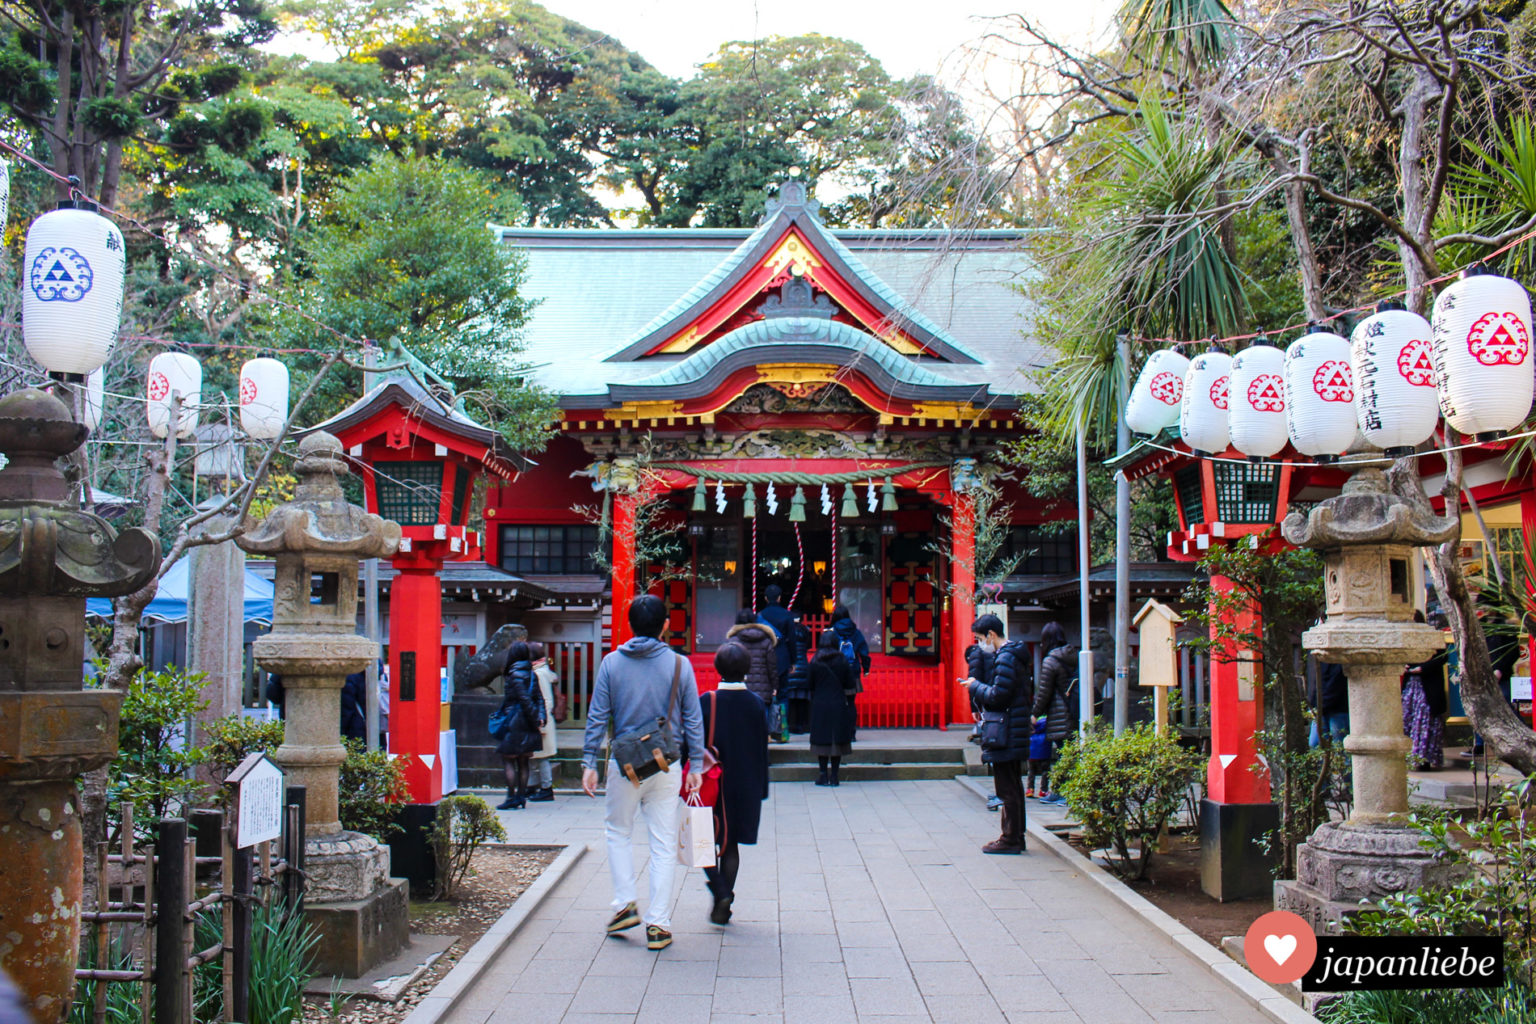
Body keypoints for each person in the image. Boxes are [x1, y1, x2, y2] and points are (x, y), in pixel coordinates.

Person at [581, 595, 705, 952]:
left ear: (630, 624)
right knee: (663, 842)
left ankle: (624, 905)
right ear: (666, 625)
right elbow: (693, 719)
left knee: (618, 831)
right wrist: (695, 764)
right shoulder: (680, 665)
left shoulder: (611, 664)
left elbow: (597, 716)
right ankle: (659, 924)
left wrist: (589, 762)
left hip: (624, 764)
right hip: (666, 762)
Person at [700, 642, 770, 925]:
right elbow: (761, 749)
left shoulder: (707, 701)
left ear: (718, 668)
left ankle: (719, 890)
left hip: (711, 785)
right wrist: (761, 788)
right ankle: (724, 898)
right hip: (745, 782)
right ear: (746, 670)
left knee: (704, 841)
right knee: (731, 847)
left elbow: (694, 745)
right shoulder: (756, 704)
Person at [965, 613, 1033, 854]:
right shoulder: (1016, 654)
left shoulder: (1005, 657)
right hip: (1014, 726)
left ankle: (1011, 838)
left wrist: (975, 686)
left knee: (1007, 787)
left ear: (991, 635)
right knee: (1013, 785)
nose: (980, 643)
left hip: (1007, 729)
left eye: (980, 638)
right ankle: (1015, 836)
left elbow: (997, 695)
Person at [494, 641, 545, 810]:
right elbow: (539, 698)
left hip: (515, 721)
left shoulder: (514, 674)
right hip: (529, 723)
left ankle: (511, 796)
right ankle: (521, 796)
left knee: (508, 759)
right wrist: (540, 717)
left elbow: (524, 699)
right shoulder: (531, 674)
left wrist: (532, 716)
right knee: (524, 761)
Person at [808, 629, 859, 786]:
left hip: (820, 703)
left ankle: (823, 774)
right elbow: (850, 683)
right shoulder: (842, 660)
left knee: (821, 740)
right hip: (838, 702)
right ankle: (835, 776)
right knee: (836, 739)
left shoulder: (815, 661)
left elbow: (809, 683)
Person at [1032, 622, 1076, 804]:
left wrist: (1035, 713)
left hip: (1060, 714)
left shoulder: (1050, 660)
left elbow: (1044, 692)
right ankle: (1070, 790)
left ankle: (1062, 792)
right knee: (1071, 753)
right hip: (1074, 710)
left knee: (1063, 755)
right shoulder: (1072, 656)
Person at [1403, 611, 1449, 770]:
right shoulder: (1404, 638)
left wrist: (1422, 668)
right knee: (1409, 719)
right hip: (1411, 686)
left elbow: (1442, 657)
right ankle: (1411, 756)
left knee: (1424, 721)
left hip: (1427, 686)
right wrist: (1404, 665)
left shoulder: (1432, 637)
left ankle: (1424, 758)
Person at [726, 610, 780, 719]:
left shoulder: (733, 640)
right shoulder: (766, 640)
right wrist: (775, 686)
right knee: (761, 725)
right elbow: (772, 666)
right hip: (763, 690)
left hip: (739, 688)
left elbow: (728, 665)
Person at [528, 641, 559, 801]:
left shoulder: (539, 675)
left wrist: (541, 722)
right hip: (544, 720)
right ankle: (532, 786)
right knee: (536, 757)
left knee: (541, 757)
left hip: (542, 721)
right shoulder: (545, 672)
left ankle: (546, 787)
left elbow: (546, 700)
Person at [782, 612, 814, 734]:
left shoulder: (787, 631)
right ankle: (801, 725)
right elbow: (808, 646)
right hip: (803, 666)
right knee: (801, 699)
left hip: (791, 666)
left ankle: (790, 724)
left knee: (789, 698)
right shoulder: (805, 630)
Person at [1310, 658, 1349, 748]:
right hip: (1321, 709)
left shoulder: (1341, 660)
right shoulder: (1322, 659)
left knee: (1339, 747)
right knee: (1315, 744)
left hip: (1339, 710)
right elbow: (1318, 682)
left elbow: (1337, 684)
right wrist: (1313, 705)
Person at [1025, 718, 1051, 799]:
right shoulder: (1046, 723)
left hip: (1032, 752)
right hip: (1044, 751)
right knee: (1045, 771)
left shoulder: (1030, 723)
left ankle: (1030, 789)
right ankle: (1043, 790)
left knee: (1031, 771)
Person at [340, 671, 368, 743]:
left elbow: (346, 708)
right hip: (375, 726)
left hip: (354, 726)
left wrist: (341, 731)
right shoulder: (377, 673)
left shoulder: (349, 677)